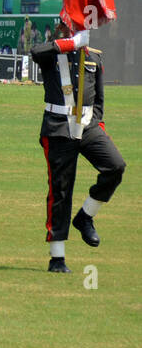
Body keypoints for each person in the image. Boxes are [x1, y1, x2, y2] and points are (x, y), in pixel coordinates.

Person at [29, 27, 126, 272]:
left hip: (88, 125)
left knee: (115, 166)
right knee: (61, 190)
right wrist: (68, 44)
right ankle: (57, 256)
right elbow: (35, 52)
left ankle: (85, 216)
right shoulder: (52, 52)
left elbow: (99, 97)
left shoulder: (93, 56)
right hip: (58, 127)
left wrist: (99, 125)